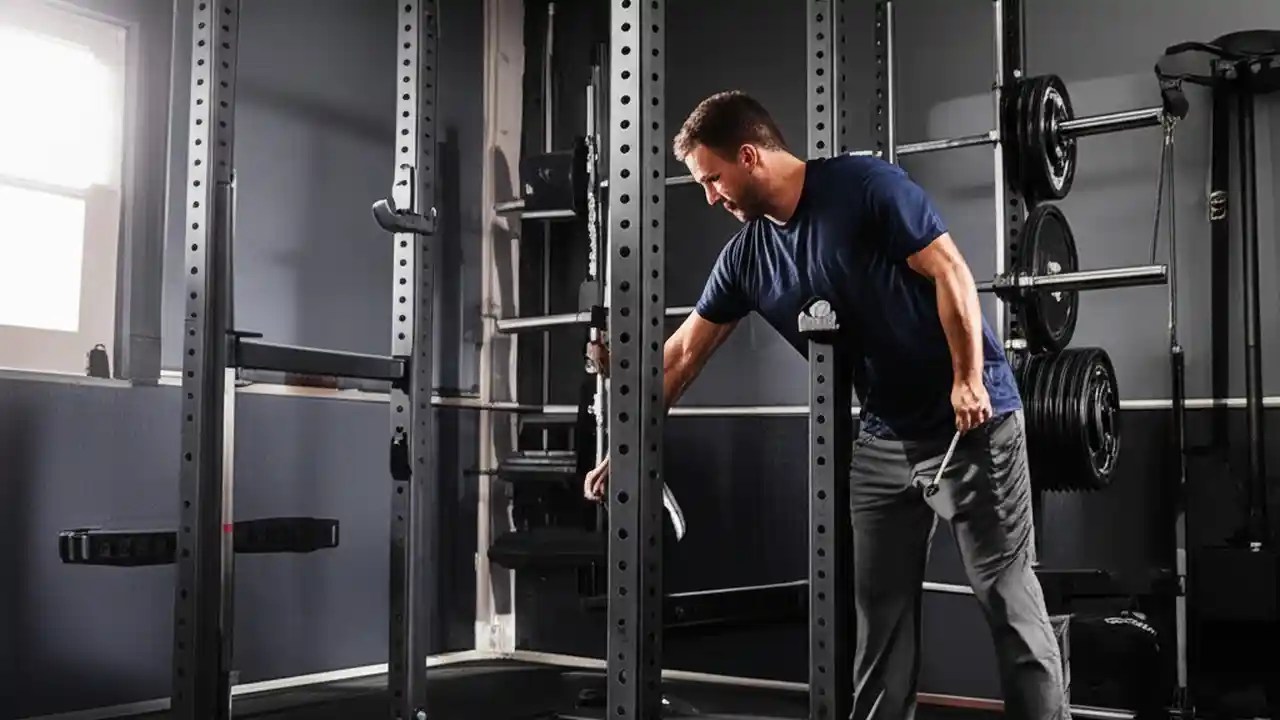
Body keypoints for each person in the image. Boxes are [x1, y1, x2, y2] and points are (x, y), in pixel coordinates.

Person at [581, 90, 1067, 720]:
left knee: (1006, 597)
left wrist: (969, 376)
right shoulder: (748, 256)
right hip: (886, 438)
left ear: (749, 156)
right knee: (879, 617)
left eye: (712, 179)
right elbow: (680, 357)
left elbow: (949, 270)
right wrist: (626, 445)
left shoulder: (864, 187)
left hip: (970, 424)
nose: (711, 197)